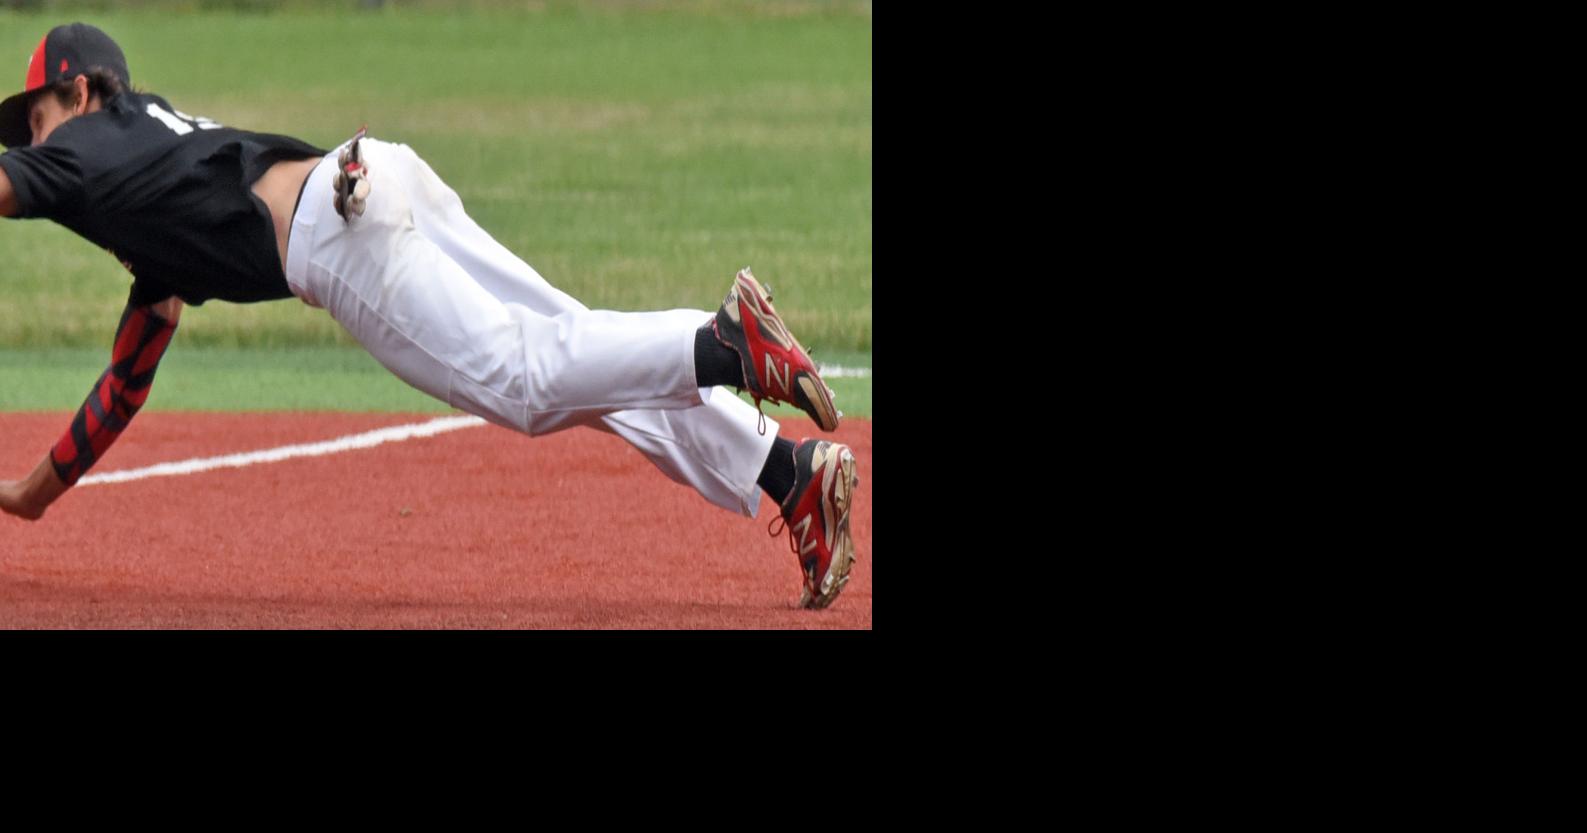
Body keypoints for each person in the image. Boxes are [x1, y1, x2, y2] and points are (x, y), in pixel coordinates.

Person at [0, 22, 860, 610]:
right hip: (372, 177)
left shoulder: (86, 146)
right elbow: (129, 376)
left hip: (341, 239)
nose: (32, 142)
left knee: (525, 381)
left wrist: (35, 162)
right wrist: (31, 494)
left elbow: (17, 183)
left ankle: (722, 344)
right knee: (585, 363)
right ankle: (787, 474)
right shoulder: (138, 170)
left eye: (32, 117)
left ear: (76, 94)